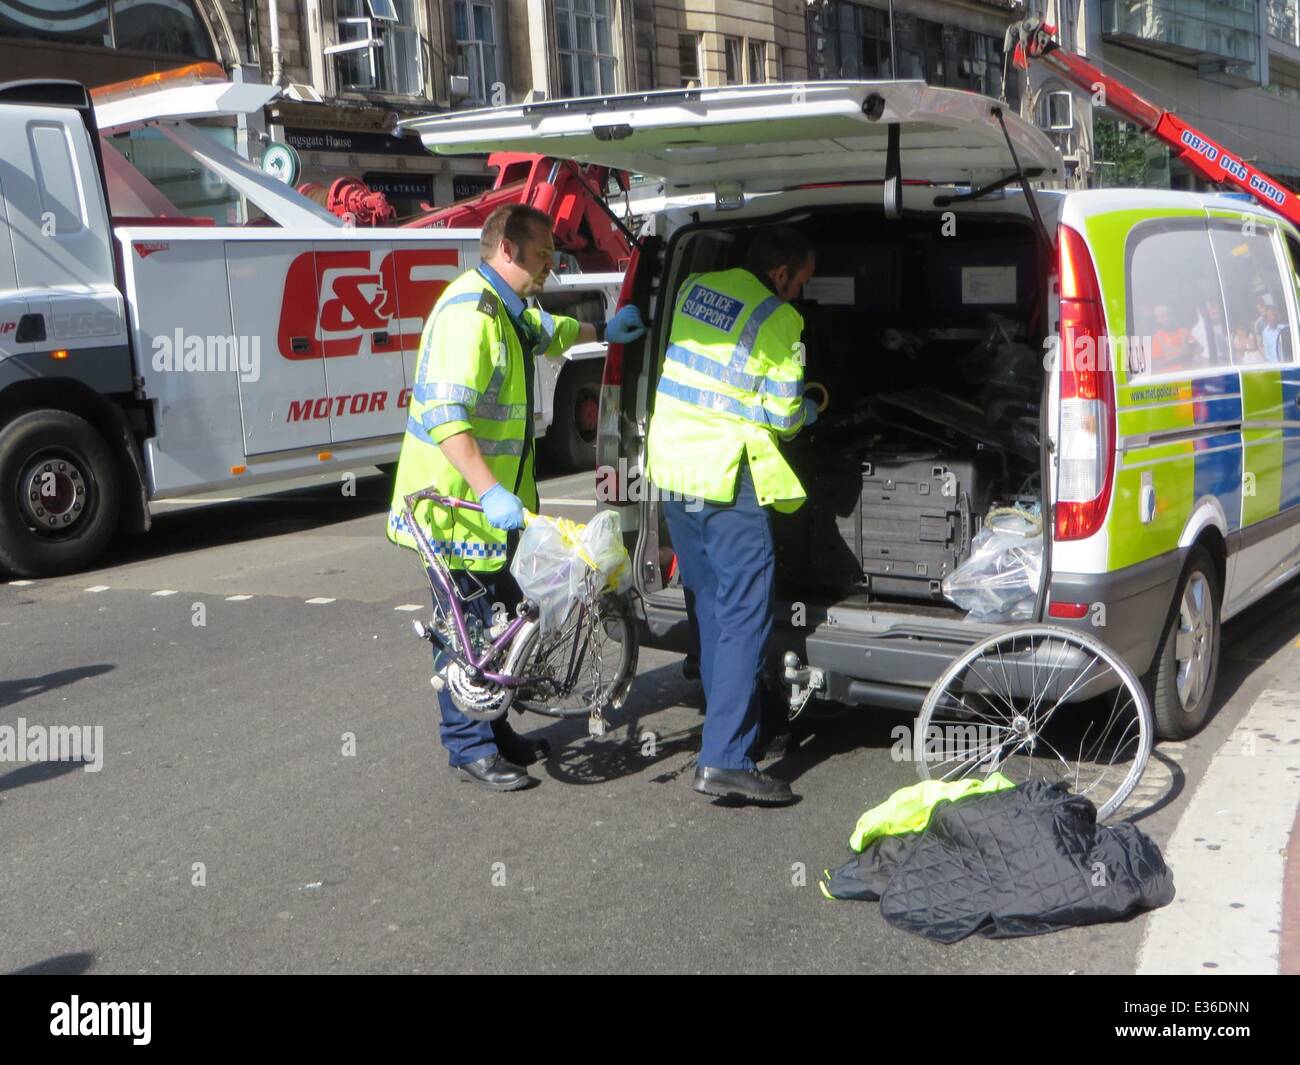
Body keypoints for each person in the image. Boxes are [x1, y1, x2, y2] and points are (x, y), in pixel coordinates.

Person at [388, 203, 646, 792]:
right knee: (469, 634)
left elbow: (549, 331)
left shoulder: (507, 309)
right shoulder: (470, 317)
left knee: (503, 624)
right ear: (506, 249)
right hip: (455, 507)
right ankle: (468, 746)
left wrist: (604, 332)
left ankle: (496, 730)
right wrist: (490, 491)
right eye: (543, 256)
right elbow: (446, 417)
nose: (551, 268)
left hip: (492, 512)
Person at [646, 226, 817, 806]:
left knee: (712, 603)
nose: (800, 295)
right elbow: (782, 415)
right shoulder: (781, 321)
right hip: (724, 474)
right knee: (746, 610)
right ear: (780, 274)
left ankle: (726, 733)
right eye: (801, 283)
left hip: (673, 467)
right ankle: (725, 759)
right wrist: (809, 408)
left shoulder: (695, 285)